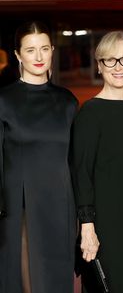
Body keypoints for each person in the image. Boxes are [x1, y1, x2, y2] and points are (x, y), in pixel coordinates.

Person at [72, 31, 123, 293]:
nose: (118, 67)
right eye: (110, 60)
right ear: (99, 65)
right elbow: (81, 172)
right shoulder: (90, 112)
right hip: (107, 224)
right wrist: (87, 227)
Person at [0, 21, 78, 293]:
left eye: (44, 48)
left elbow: (75, 160)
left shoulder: (67, 101)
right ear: (18, 55)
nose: (39, 56)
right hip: (18, 206)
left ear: (52, 50)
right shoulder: (4, 100)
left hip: (60, 204)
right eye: (30, 50)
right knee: (25, 280)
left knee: (56, 278)